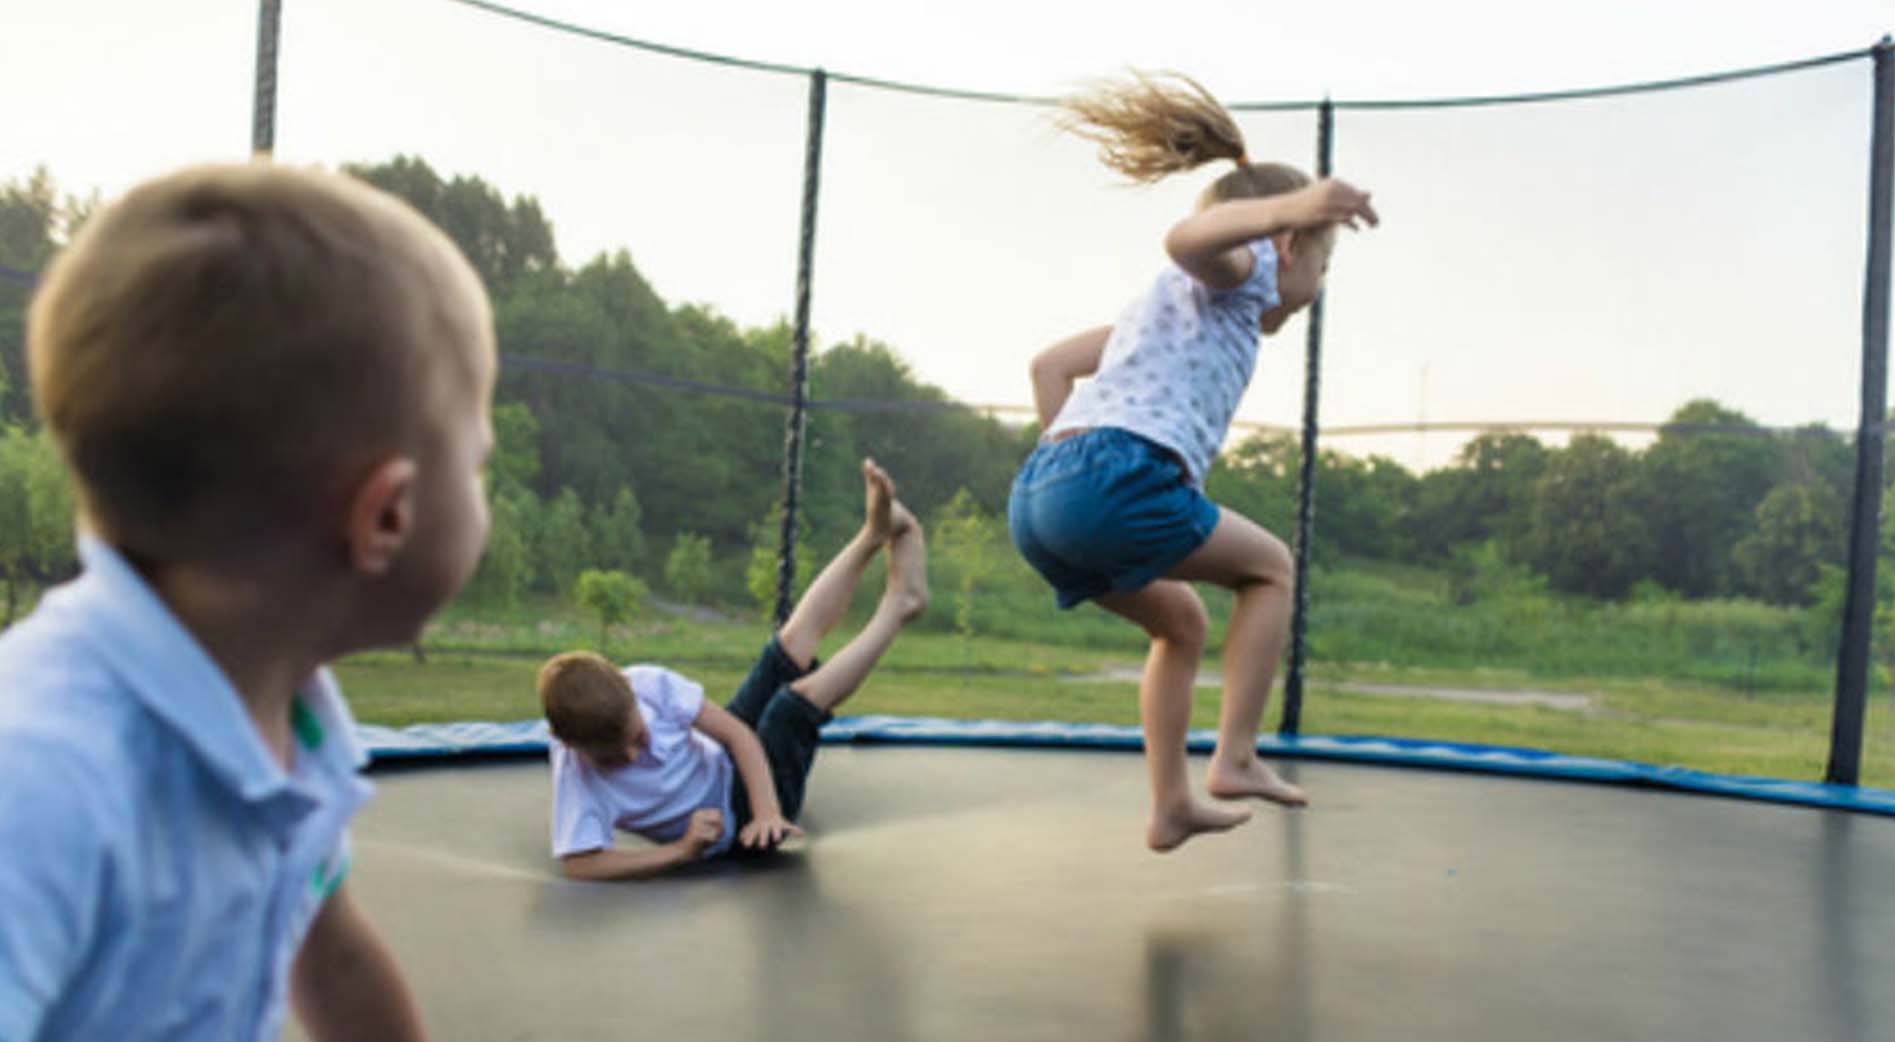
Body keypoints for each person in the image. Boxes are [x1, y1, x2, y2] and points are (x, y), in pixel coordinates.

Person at [0, 163, 598, 1042]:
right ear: (384, 514)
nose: (486, 494)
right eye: (474, 464)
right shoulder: (47, 771)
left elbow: (330, 961)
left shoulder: (295, 714)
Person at [1009, 71, 1379, 853]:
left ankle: (1170, 805)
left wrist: (1070, 470)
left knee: (1180, 622)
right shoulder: (1238, 276)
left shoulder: (1152, 323)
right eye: (1322, 264)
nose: (1316, 284)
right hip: (1116, 480)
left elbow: (1048, 367)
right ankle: (1236, 757)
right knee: (1271, 569)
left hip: (1039, 498)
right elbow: (1184, 239)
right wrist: (1295, 204)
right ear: (1285, 245)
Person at [539, 459, 927, 881]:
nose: (634, 755)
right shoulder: (575, 772)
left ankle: (873, 533)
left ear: (627, 688)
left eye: (637, 737)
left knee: (786, 649)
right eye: (613, 758)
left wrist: (768, 811)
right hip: (737, 825)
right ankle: (897, 607)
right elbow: (580, 863)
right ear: (571, 745)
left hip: (741, 784)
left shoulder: (647, 684)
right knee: (788, 708)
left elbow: (737, 734)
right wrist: (682, 850)